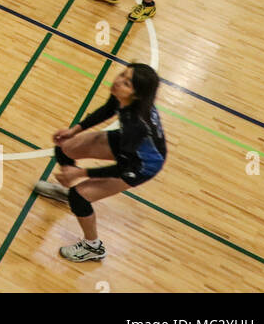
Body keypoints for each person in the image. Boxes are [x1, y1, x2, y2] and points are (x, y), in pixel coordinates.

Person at [33, 64, 166, 262]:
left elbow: (124, 167)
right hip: (128, 146)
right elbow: (108, 109)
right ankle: (67, 193)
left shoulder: (136, 125)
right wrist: (75, 130)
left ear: (136, 94)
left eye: (127, 83)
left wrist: (80, 173)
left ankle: (93, 247)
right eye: (122, 75)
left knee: (80, 198)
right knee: (65, 146)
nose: (118, 81)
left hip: (139, 166)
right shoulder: (124, 98)